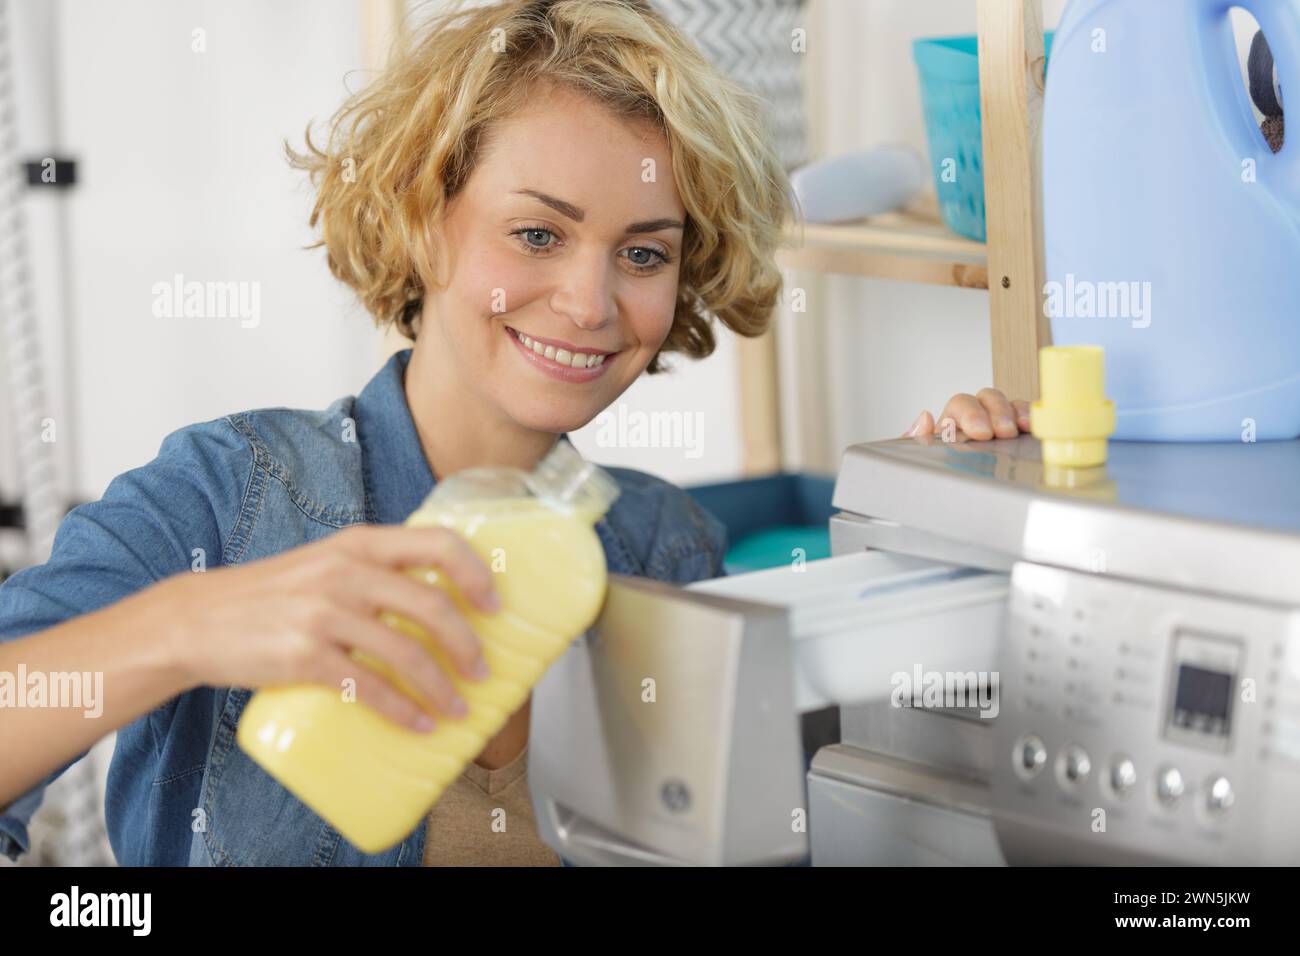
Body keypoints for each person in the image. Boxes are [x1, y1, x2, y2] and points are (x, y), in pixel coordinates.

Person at [0, 0, 1028, 866]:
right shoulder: (225, 497)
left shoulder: (664, 547)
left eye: (641, 253)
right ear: (422, 214)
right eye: (537, 232)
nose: (588, 301)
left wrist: (944, 509)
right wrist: (186, 625)